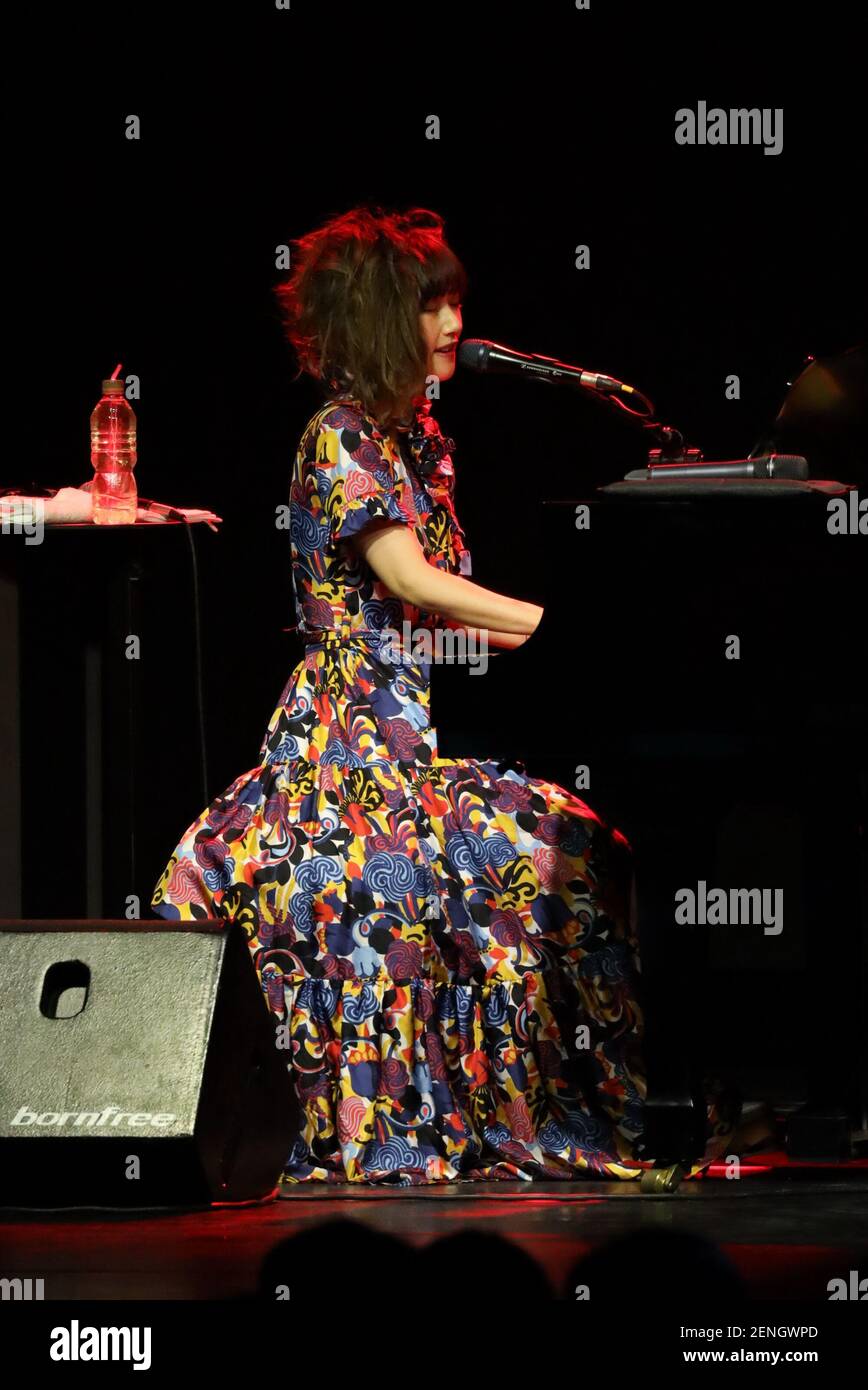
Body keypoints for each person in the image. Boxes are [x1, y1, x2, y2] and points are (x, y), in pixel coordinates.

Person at [150, 204, 741, 1186]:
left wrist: (554, 650)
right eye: (433, 304)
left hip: (424, 728)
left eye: (458, 299)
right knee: (524, 852)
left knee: (584, 843)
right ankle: (469, 1115)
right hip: (350, 753)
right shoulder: (341, 438)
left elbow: (441, 620)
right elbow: (414, 584)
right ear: (382, 318)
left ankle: (645, 1100)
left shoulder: (420, 440)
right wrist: (558, 626)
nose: (456, 320)